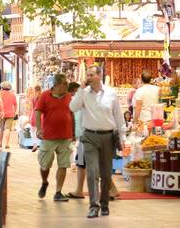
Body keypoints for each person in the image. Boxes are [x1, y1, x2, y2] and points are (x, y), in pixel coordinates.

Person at [68, 66, 125, 219]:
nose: (89, 77)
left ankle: (104, 202)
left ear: (100, 75)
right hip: (90, 137)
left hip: (108, 137)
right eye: (88, 75)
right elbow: (72, 107)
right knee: (92, 171)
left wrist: (123, 136)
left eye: (92, 75)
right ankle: (94, 205)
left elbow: (118, 116)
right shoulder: (84, 93)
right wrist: (80, 89)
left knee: (106, 174)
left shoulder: (111, 93)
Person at [32, 74, 75, 202]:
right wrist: (39, 129)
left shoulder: (68, 97)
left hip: (65, 136)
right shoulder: (45, 95)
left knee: (63, 164)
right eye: (64, 84)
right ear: (56, 85)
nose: (67, 86)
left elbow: (71, 114)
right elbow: (38, 111)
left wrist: (73, 132)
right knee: (45, 165)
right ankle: (45, 182)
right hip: (49, 136)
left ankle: (58, 192)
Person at [0, 81, 18, 149]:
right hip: (10, 114)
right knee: (7, 129)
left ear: (2, 87)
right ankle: (6, 143)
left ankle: (0, 143)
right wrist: (14, 112)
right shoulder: (12, 94)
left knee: (1, 129)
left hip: (1, 113)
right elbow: (15, 104)